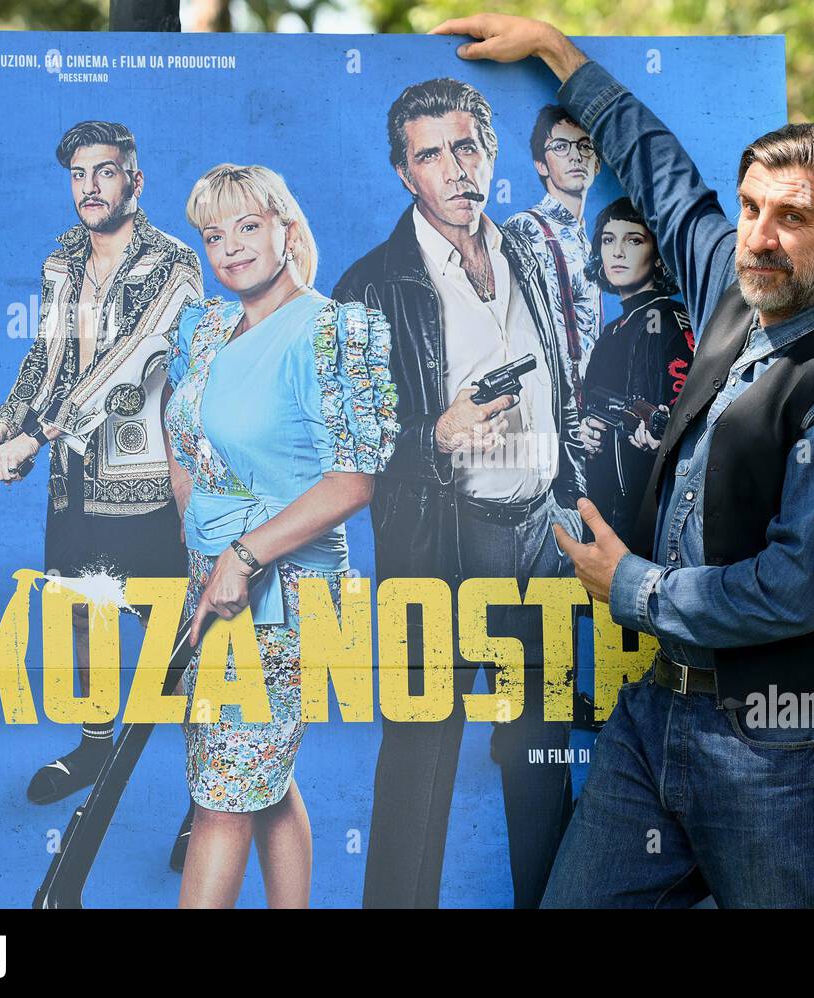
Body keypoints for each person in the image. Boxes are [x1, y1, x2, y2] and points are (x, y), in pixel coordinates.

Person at [433, 14, 814, 908]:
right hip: (655, 715)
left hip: (785, 751)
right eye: (751, 210)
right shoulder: (739, 294)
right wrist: (557, 51)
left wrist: (631, 585)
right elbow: (663, 179)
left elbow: (792, 588)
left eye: (793, 218)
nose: (759, 236)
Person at [332, 76, 586, 909]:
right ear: (405, 173)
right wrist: (437, 437)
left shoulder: (530, 260)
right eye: (430, 154)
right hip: (438, 544)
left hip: (542, 540)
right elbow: (345, 445)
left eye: (467, 146)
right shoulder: (369, 285)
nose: (454, 168)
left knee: (540, 758)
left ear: (491, 152)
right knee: (420, 757)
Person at [163, 163, 397, 907]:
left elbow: (354, 481)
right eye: (213, 235)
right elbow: (182, 441)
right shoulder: (205, 328)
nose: (229, 248)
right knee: (256, 777)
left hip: (286, 593)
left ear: (286, 229)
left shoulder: (330, 329)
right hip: (218, 579)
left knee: (224, 799)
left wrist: (242, 551)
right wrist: (203, 548)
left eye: (247, 227)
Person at [0, 122, 202, 863]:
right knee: (82, 618)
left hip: (150, 483)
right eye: (79, 174)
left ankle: (211, 797)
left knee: (183, 643)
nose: (91, 186)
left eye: (107, 172)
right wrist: (1, 426)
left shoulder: (173, 264)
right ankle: (95, 749)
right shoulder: (64, 259)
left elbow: (124, 365)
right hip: (75, 486)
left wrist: (32, 438)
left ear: (136, 181)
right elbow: (46, 354)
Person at [579, 196, 694, 538]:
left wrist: (663, 438)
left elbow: (687, 419)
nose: (617, 252)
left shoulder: (671, 321)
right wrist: (586, 433)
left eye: (634, 240)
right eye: (608, 239)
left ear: (657, 255)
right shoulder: (611, 331)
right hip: (602, 513)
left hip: (649, 521)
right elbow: (588, 413)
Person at [502, 105, 603, 401]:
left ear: (597, 163)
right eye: (560, 146)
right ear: (541, 164)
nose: (576, 155)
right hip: (552, 405)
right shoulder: (527, 228)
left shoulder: (590, 242)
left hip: (587, 408)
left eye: (586, 146)